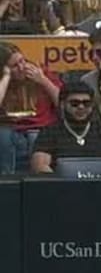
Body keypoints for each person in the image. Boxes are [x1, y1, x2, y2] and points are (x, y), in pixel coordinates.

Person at [29, 78, 101, 173]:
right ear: (63, 105)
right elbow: (40, 166)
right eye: (74, 103)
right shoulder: (50, 132)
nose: (81, 107)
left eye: (86, 103)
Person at [0, 41, 61, 174]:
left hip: (40, 128)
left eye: (22, 60)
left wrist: (44, 81)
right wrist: (6, 77)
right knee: (3, 136)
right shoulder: (3, 80)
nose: (22, 67)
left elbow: (63, 105)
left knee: (35, 137)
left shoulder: (40, 72)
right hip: (9, 130)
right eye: (15, 66)